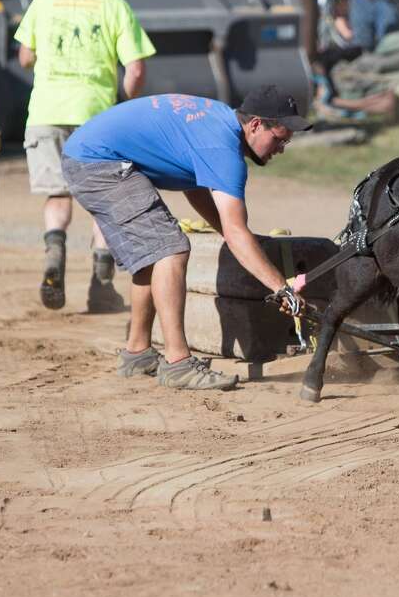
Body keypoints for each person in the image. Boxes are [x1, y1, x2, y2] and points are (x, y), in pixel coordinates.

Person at [60, 87, 311, 390]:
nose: (281, 148)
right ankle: (178, 363)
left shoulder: (217, 124)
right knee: (172, 249)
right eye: (279, 138)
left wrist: (236, 237)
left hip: (89, 155)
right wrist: (281, 288)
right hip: (98, 162)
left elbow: (196, 187)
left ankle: (137, 353)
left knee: (154, 252)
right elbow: (235, 232)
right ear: (256, 124)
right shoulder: (222, 150)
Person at [13, 0, 156, 313]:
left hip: (46, 110)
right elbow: (137, 70)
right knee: (104, 201)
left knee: (57, 193)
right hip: (97, 117)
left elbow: (25, 57)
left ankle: (54, 255)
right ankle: (101, 283)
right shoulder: (116, 5)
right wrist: (128, 99)